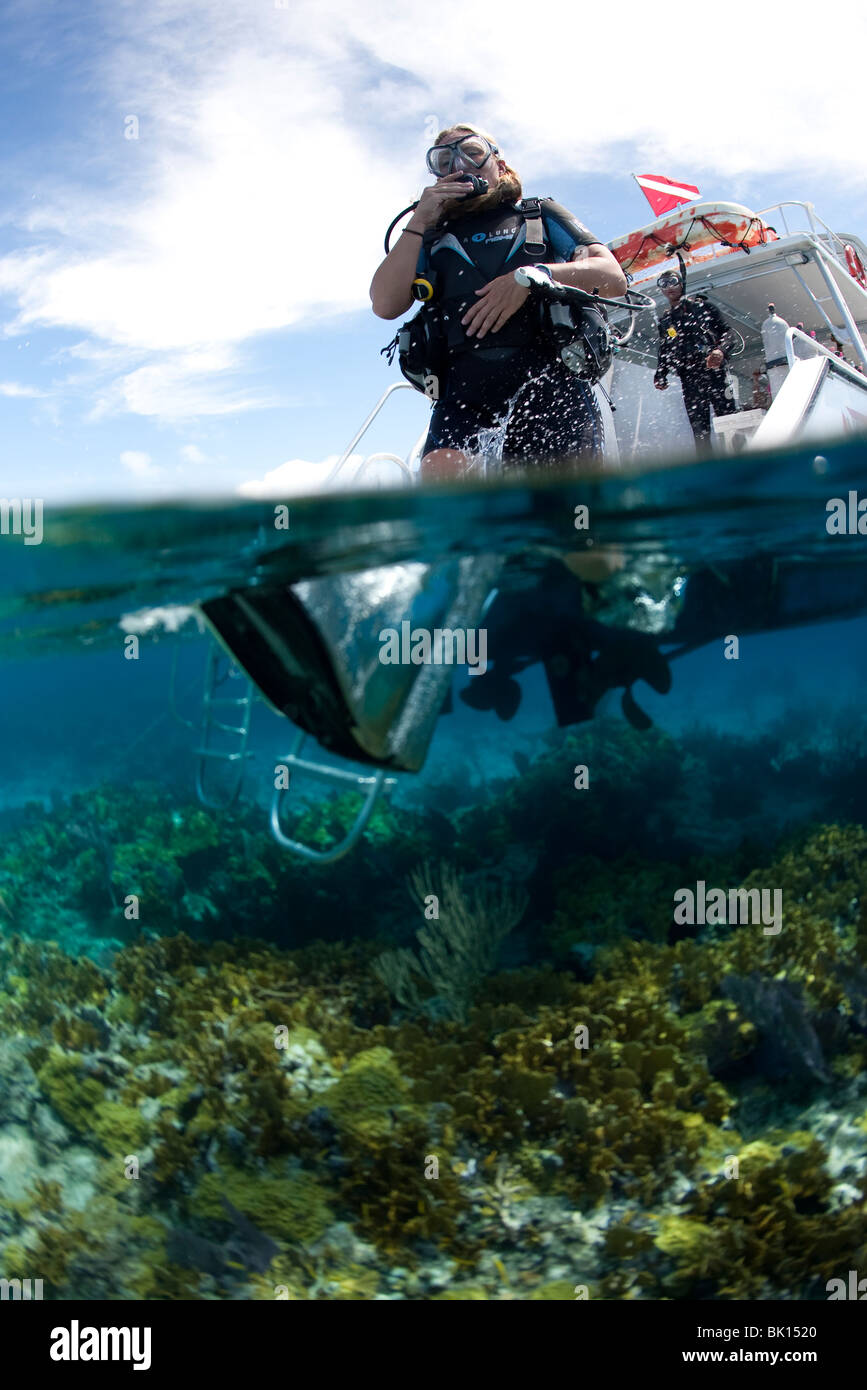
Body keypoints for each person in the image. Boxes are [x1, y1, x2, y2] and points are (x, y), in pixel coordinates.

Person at [369, 123, 626, 478]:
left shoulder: (539, 215)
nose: (459, 165)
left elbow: (613, 278)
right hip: (464, 396)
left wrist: (530, 277)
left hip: (552, 383)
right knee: (447, 502)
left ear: (500, 165)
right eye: (444, 160)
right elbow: (384, 304)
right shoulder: (428, 237)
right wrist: (420, 219)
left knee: (567, 516)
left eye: (472, 152)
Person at [653, 269, 737, 445]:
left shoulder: (704, 308)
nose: (669, 287)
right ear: (660, 289)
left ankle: (741, 464)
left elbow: (729, 334)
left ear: (682, 283)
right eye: (663, 284)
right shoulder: (666, 321)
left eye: (673, 282)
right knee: (700, 433)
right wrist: (661, 373)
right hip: (689, 379)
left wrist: (720, 351)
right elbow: (665, 348)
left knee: (730, 423)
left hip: (715, 373)